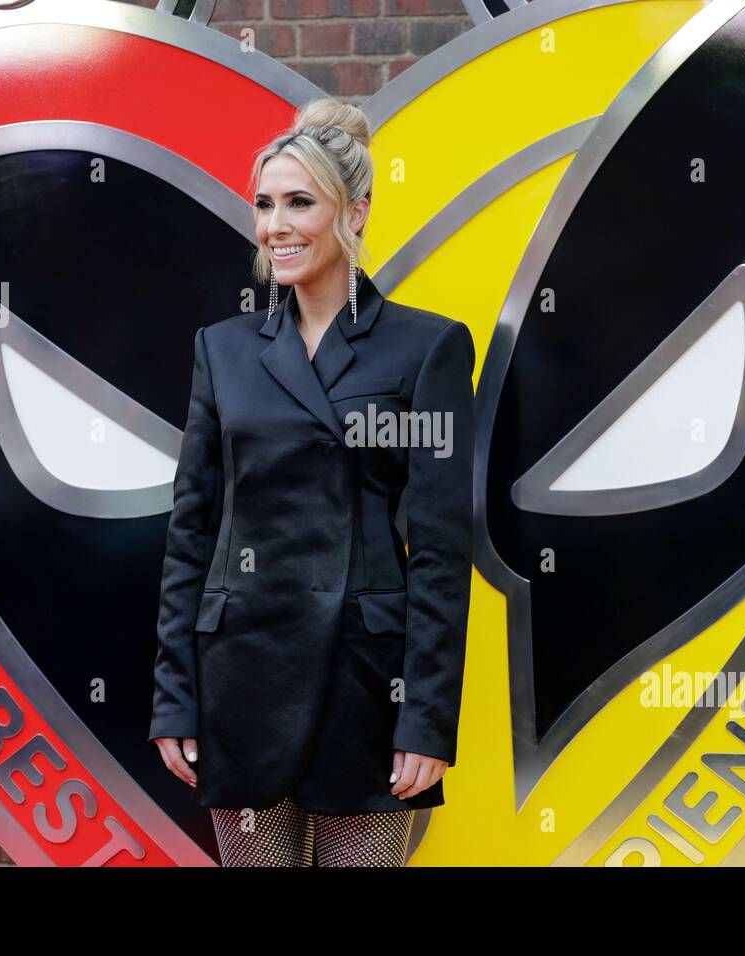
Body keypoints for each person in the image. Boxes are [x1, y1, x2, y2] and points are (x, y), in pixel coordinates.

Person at [148, 97, 476, 867]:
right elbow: (190, 529)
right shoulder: (223, 349)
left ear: (354, 213)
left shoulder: (426, 349)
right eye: (265, 204)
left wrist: (425, 718)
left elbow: (439, 549)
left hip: (366, 684)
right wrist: (175, 696)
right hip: (242, 676)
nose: (276, 225)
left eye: (300, 202)